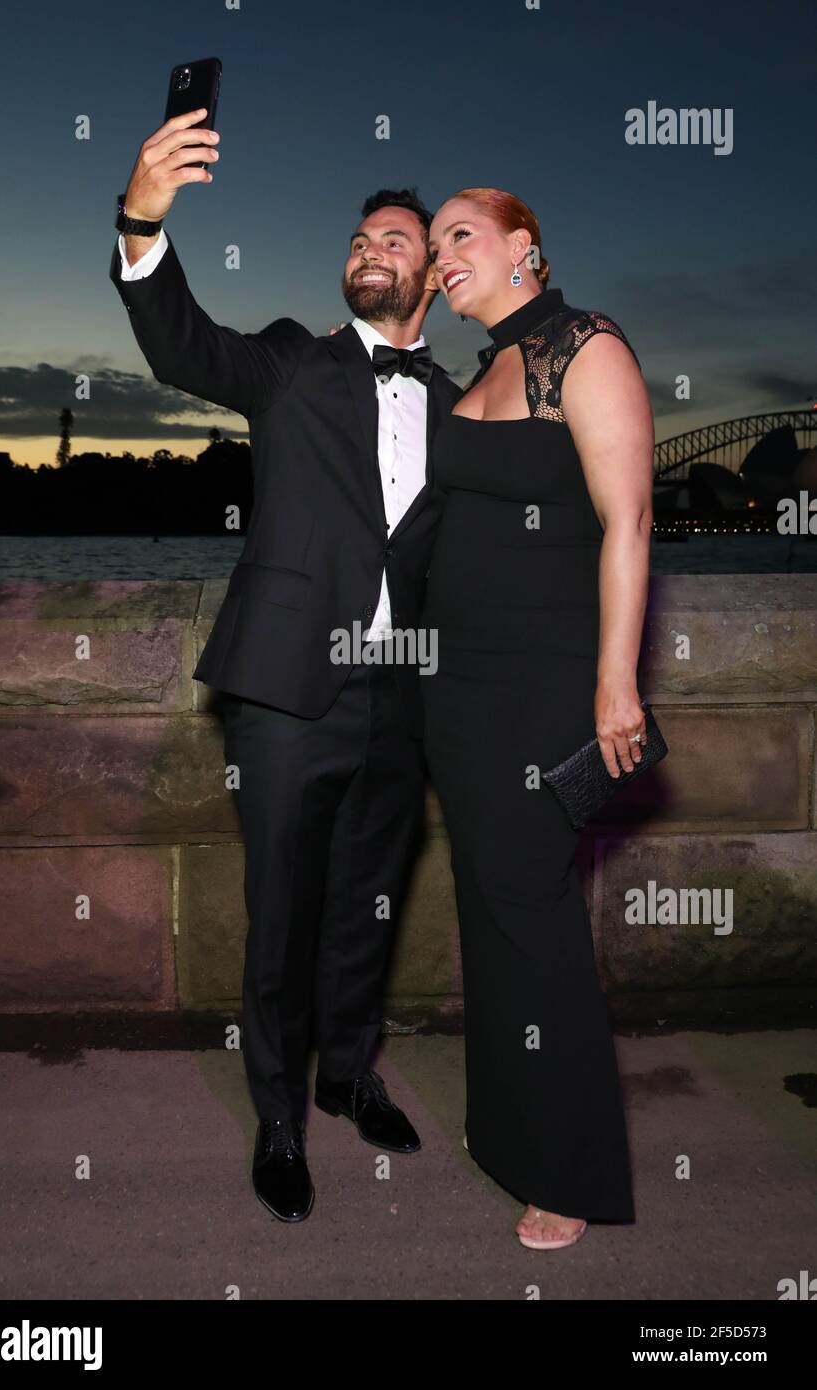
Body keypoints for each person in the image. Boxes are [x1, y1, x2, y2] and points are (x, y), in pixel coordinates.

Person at [109, 107, 461, 1222]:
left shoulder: (463, 407)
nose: (370, 251)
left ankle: (349, 1075)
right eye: (360, 240)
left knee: (365, 904)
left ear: (435, 280)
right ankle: (276, 1118)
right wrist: (142, 220)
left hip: (403, 695)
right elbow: (179, 342)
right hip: (283, 694)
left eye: (395, 242)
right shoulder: (287, 364)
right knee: (283, 911)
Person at [422, 187, 654, 1250]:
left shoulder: (583, 344)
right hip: (458, 685)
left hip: (543, 682)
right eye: (431, 245)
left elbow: (628, 519)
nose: (439, 254)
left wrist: (614, 683)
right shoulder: (482, 367)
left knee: (533, 919)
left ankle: (567, 1170)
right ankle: (512, 1140)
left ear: (526, 247)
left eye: (458, 235)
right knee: (492, 914)